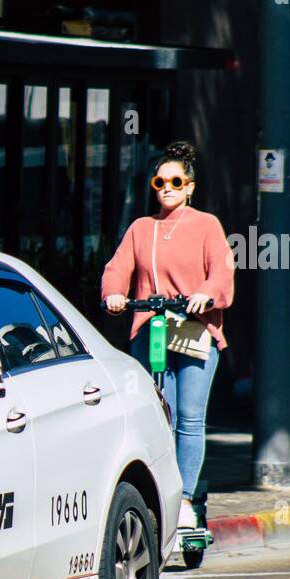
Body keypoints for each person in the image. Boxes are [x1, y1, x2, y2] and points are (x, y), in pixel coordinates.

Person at [101, 140, 235, 531]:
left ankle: (187, 500)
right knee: (161, 417)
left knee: (190, 420)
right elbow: (117, 267)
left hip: (194, 329)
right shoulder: (142, 228)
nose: (168, 188)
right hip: (153, 329)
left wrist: (205, 295)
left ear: (190, 186)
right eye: (160, 182)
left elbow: (222, 273)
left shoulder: (207, 224)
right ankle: (159, 494)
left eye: (176, 181)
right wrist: (113, 293)